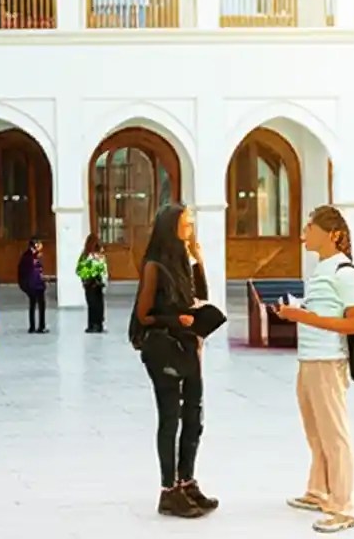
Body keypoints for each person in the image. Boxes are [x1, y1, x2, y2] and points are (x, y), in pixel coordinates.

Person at [271, 205, 354, 534]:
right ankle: (319, 490)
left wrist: (302, 316)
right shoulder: (321, 270)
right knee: (315, 431)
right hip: (309, 359)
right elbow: (321, 311)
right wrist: (298, 310)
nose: (304, 235)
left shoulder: (345, 272)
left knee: (334, 434)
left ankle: (343, 506)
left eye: (310, 228)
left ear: (333, 234)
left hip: (328, 361)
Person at [134, 203, 218, 519]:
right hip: (164, 349)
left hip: (188, 348)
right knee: (171, 418)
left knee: (194, 418)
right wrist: (176, 320)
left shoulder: (182, 261)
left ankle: (187, 482)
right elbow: (144, 315)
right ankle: (168, 491)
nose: (190, 229)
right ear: (171, 227)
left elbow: (202, 297)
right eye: (186, 224)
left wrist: (196, 256)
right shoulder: (154, 266)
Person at [76, 234, 109, 333]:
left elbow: (80, 269)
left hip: (89, 284)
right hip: (95, 283)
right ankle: (98, 325)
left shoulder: (85, 255)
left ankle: (92, 325)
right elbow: (103, 269)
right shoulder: (95, 255)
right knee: (98, 305)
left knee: (92, 305)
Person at [18, 237, 49, 333]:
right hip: (34, 284)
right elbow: (32, 271)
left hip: (35, 283)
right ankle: (38, 326)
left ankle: (36, 326)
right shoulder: (30, 256)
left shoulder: (32, 255)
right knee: (38, 304)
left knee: (35, 304)